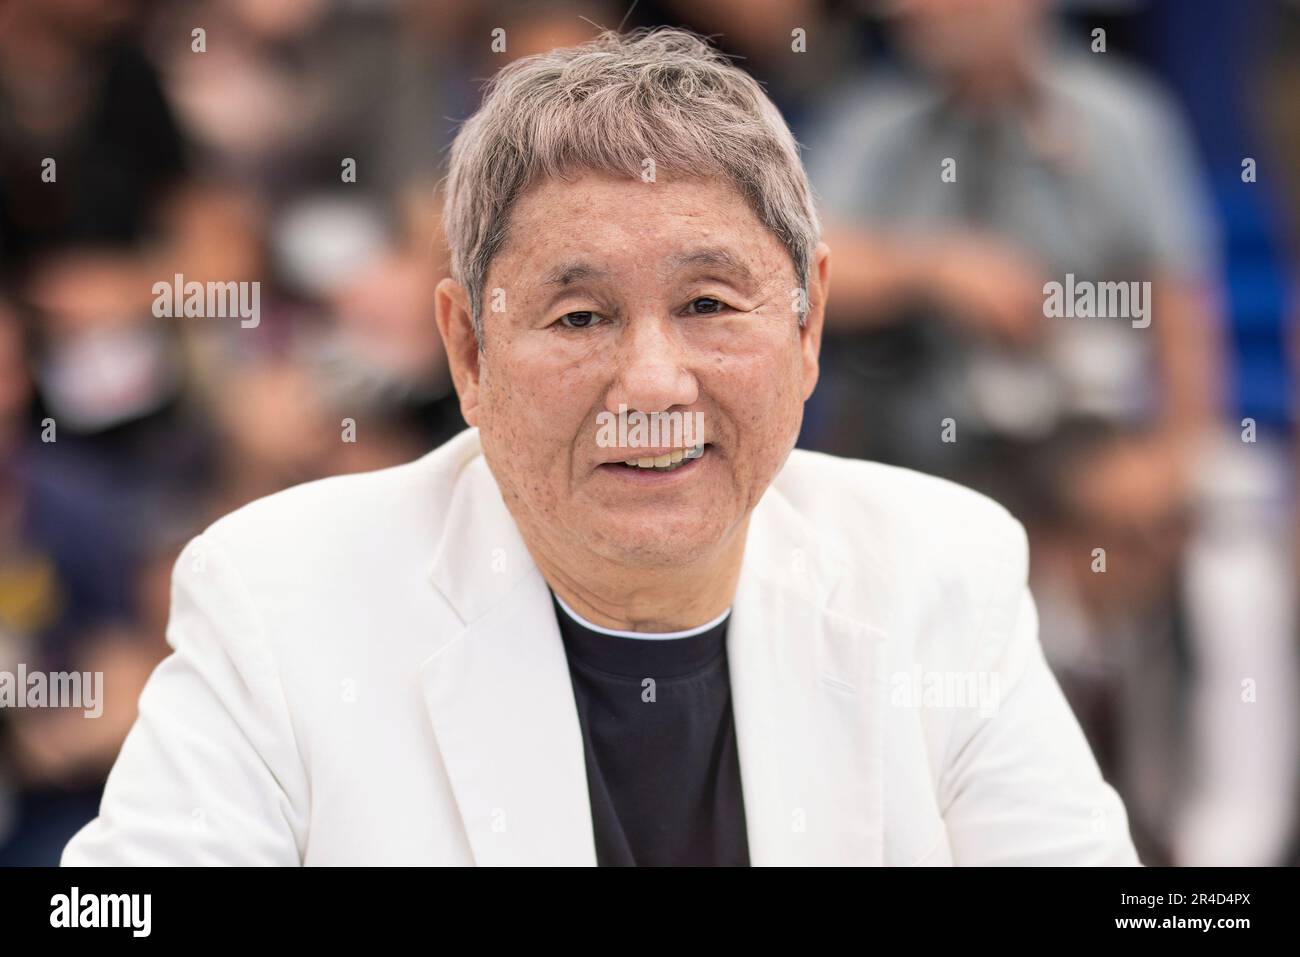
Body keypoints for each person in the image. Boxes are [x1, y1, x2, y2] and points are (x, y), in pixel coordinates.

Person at [61, 27, 1138, 866]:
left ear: (808, 326)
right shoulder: (280, 598)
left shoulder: (942, 571)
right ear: (467, 351)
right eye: (579, 318)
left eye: (711, 303)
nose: (655, 380)